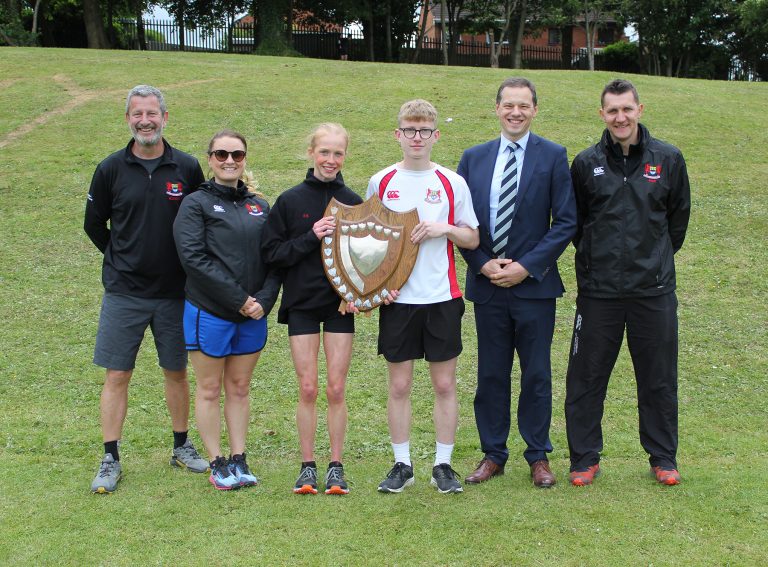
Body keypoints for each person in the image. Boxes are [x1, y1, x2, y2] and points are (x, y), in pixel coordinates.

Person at [565, 79, 691, 487]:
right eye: (612, 110)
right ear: (602, 114)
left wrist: (653, 262)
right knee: (586, 378)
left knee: (658, 377)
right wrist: (595, 262)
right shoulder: (586, 163)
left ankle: (663, 457)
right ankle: (584, 458)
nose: (620, 117)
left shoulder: (668, 159)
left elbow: (677, 222)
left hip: (652, 292)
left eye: (627, 109)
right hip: (599, 293)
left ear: (640, 109)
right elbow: (576, 225)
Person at [84, 85, 208, 494]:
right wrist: (121, 257)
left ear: (165, 117)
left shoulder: (187, 168)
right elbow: (93, 224)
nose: (145, 120)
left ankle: (180, 445)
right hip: (124, 293)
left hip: (176, 294)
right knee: (118, 373)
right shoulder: (110, 169)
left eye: (152, 113)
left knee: (176, 371)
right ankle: (110, 457)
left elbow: (201, 223)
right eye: (137, 114)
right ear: (128, 119)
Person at [457, 77, 576, 489]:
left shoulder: (554, 156)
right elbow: (461, 224)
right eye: (509, 104)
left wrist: (525, 266)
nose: (516, 112)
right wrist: (482, 264)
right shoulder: (473, 159)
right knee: (491, 374)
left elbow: (565, 222)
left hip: (534, 288)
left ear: (535, 110)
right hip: (488, 286)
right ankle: (493, 453)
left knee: (537, 374)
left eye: (524, 105)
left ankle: (538, 455)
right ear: (497, 108)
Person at [368, 99, 479, 495]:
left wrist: (443, 228)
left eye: (425, 131)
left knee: (445, 385)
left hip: (441, 297)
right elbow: (370, 240)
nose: (418, 138)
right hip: (398, 300)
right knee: (398, 386)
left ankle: (443, 464)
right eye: (410, 130)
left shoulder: (452, 182)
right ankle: (402, 463)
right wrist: (378, 287)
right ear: (398, 135)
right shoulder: (381, 181)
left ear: (436, 136)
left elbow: (472, 236)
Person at [173, 130, 281, 490]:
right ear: (210, 159)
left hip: (252, 315)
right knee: (208, 389)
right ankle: (217, 462)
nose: (229, 160)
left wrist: (264, 300)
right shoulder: (195, 204)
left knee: (239, 387)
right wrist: (239, 299)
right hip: (210, 312)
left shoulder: (259, 205)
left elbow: (273, 258)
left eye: (236, 154)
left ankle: (239, 457)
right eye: (222, 154)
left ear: (245, 158)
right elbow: (194, 259)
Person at [261, 123, 363, 495]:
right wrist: (311, 235)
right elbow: (272, 253)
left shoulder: (353, 201)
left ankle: (336, 466)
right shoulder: (289, 201)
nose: (331, 160)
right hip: (301, 304)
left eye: (338, 153)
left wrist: (356, 291)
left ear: (344, 156)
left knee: (336, 389)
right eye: (325, 152)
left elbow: (364, 258)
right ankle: (307, 466)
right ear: (311, 153)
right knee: (308, 388)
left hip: (339, 307)